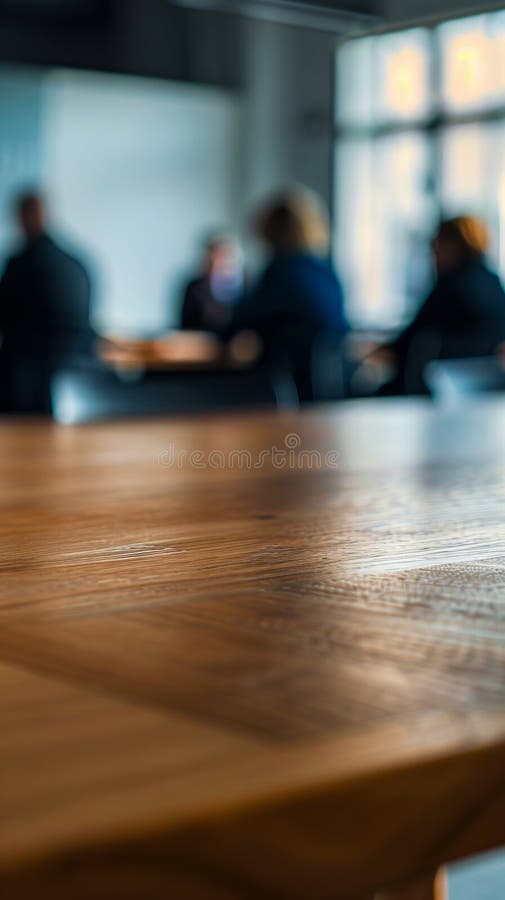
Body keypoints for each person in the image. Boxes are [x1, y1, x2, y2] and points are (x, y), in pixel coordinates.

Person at [224, 187, 348, 401]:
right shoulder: (327, 273)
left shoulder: (280, 272)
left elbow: (239, 322)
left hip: (286, 390)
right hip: (333, 388)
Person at [375, 216, 505, 395]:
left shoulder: (450, 287)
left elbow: (406, 342)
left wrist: (372, 352)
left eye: (436, 245)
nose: (433, 254)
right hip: (487, 391)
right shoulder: (494, 283)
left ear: (454, 246)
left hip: (437, 388)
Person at [0, 191, 94, 413]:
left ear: (23, 217)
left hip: (26, 383)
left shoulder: (21, 265)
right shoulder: (76, 263)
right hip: (80, 382)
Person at [180, 234, 243, 333]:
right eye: (212, 260)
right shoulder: (194, 288)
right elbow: (187, 327)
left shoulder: (247, 288)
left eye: (224, 258)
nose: (217, 265)